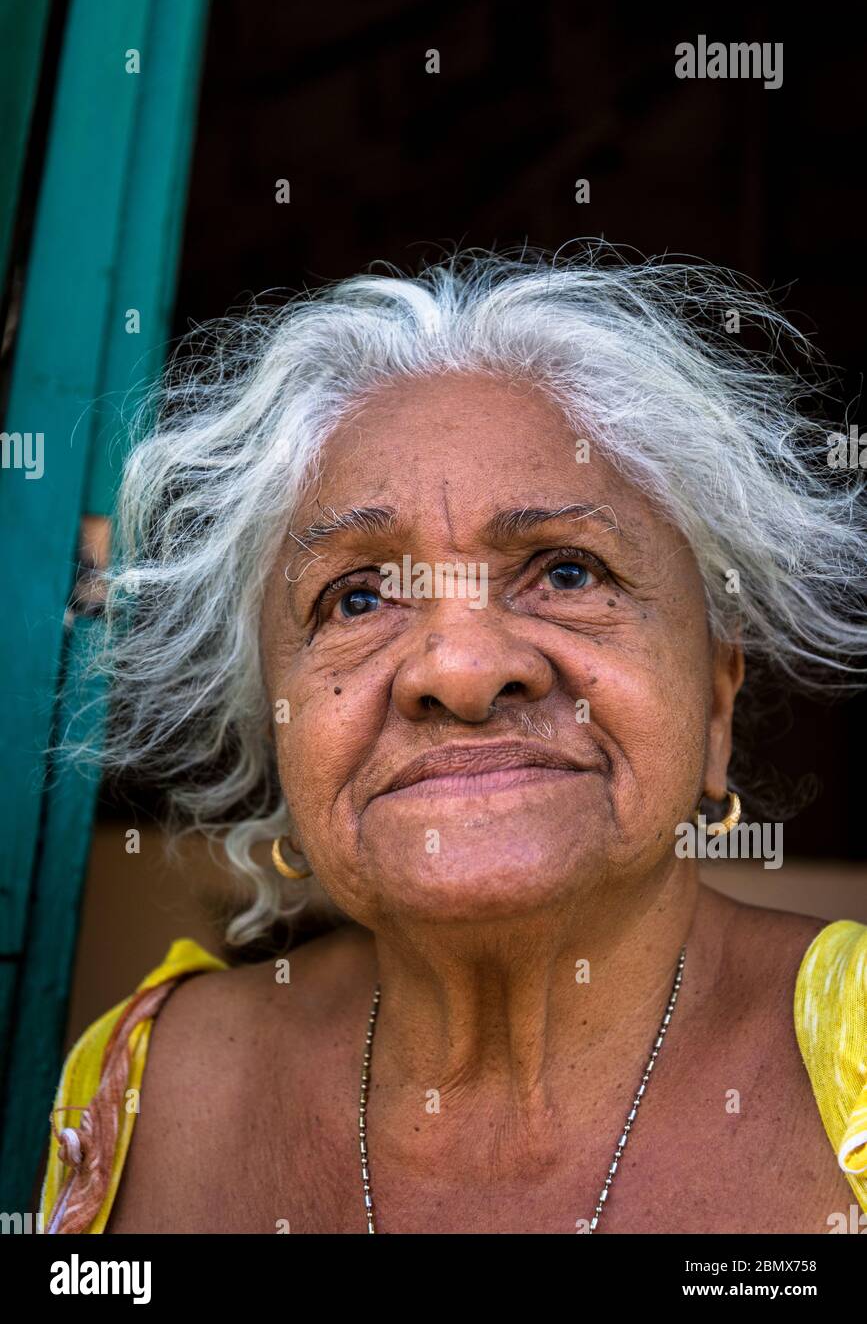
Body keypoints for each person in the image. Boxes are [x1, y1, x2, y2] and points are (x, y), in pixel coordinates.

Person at [40, 250, 867, 1234]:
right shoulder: (144, 1090)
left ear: (717, 706)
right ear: (280, 736)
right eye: (356, 596)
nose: (462, 671)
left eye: (567, 572)